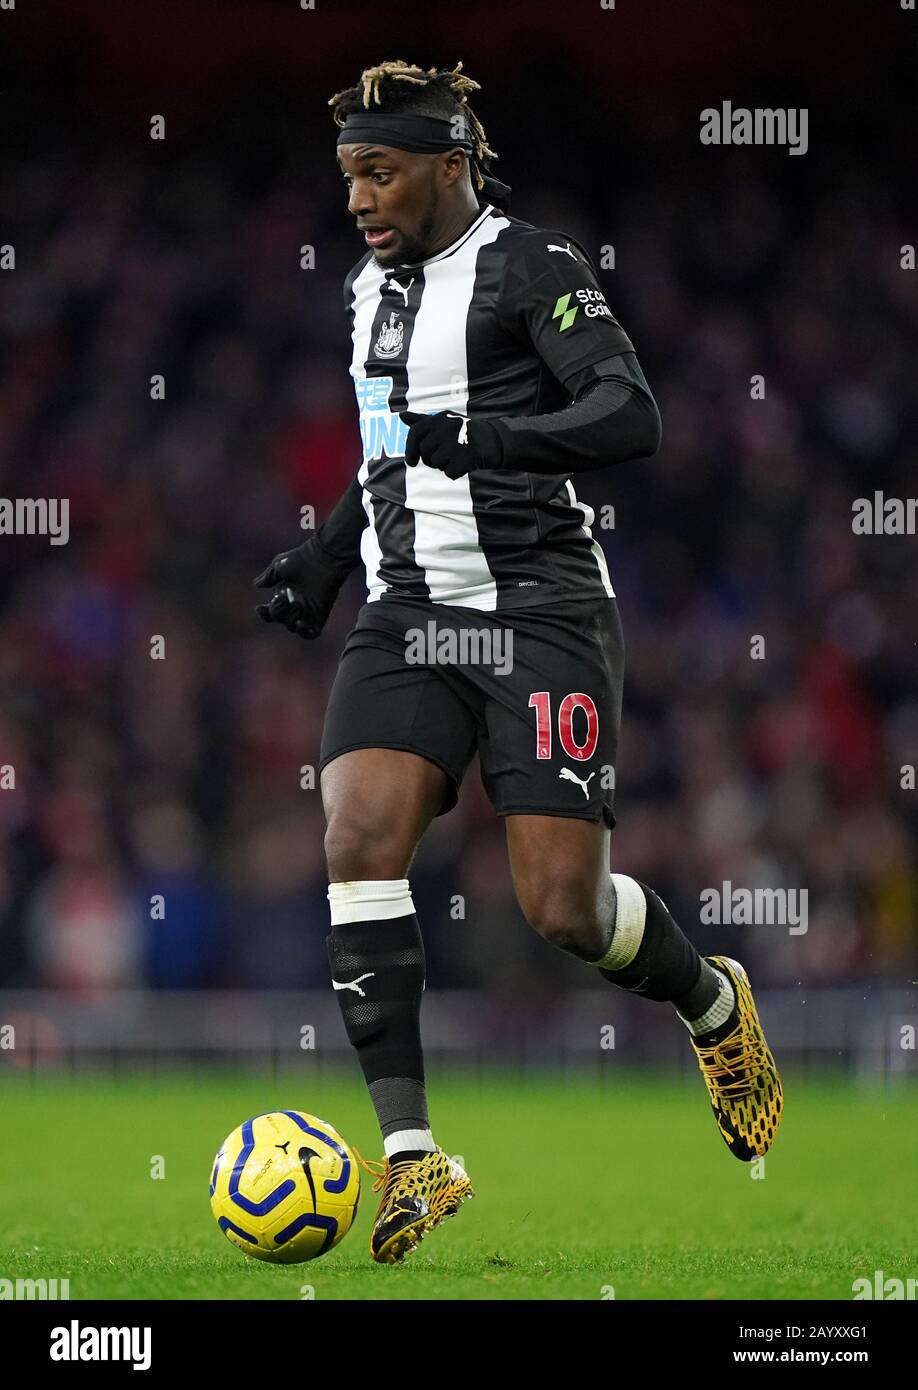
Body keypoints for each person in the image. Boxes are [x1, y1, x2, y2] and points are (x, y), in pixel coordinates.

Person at [255, 59, 783, 1265]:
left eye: (379, 173)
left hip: (540, 613)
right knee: (356, 833)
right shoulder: (365, 292)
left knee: (562, 908)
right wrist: (328, 556)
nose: (358, 199)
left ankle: (712, 1000)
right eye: (348, 177)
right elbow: (392, 447)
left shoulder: (533, 266)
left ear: (450, 165)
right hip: (406, 616)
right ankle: (411, 1157)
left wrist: (484, 436)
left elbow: (628, 415)